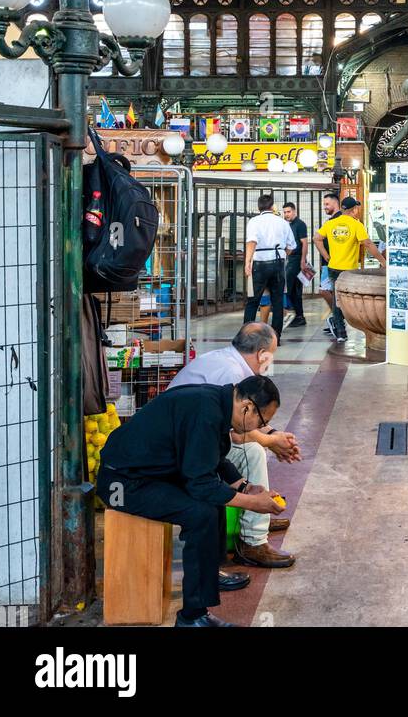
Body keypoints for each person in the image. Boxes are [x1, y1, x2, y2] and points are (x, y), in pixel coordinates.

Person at [97, 376, 284, 627]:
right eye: (263, 422)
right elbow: (201, 485)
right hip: (120, 484)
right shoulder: (205, 411)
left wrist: (246, 487)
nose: (259, 427)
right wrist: (252, 504)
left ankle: (209, 574)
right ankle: (192, 617)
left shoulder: (216, 403)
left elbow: (212, 460)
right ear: (247, 407)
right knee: (200, 514)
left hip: (148, 475)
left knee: (213, 500)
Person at [168, 323, 300, 568]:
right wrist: (271, 442)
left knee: (254, 448)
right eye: (271, 354)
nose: (271, 361)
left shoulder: (227, 361)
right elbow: (238, 434)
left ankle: (255, 515)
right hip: (181, 450)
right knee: (252, 451)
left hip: (190, 441)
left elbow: (248, 420)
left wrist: (274, 434)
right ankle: (253, 541)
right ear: (262, 354)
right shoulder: (230, 373)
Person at [313, 195, 383, 344]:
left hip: (333, 267)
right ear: (354, 209)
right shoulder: (356, 224)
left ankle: (340, 332)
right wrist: (383, 262)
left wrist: (326, 256)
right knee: (349, 300)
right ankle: (348, 329)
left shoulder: (331, 223)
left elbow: (316, 238)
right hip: (349, 270)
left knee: (337, 300)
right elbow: (368, 244)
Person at [242, 194, 296, 336]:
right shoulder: (282, 222)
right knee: (277, 301)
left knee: (253, 300)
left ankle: (247, 334)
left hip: (259, 263)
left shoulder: (254, 221)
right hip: (278, 263)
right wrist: (282, 254)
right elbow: (291, 246)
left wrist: (247, 262)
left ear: (259, 207)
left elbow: (252, 242)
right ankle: (276, 337)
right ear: (272, 207)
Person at [282, 200, 311, 329]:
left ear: (294, 211)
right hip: (291, 259)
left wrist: (302, 261)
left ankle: (295, 315)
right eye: (284, 212)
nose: (286, 214)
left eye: (288, 212)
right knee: (294, 291)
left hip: (297, 260)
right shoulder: (288, 225)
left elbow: (304, 243)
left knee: (290, 289)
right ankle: (299, 317)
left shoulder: (300, 224)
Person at [317, 190, 342, 336]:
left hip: (332, 262)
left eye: (327, 204)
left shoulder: (335, 221)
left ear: (335, 203)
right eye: (324, 204)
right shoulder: (331, 221)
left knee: (325, 291)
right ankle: (337, 319)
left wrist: (326, 256)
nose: (324, 207)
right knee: (331, 291)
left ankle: (338, 318)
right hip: (330, 262)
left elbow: (317, 239)